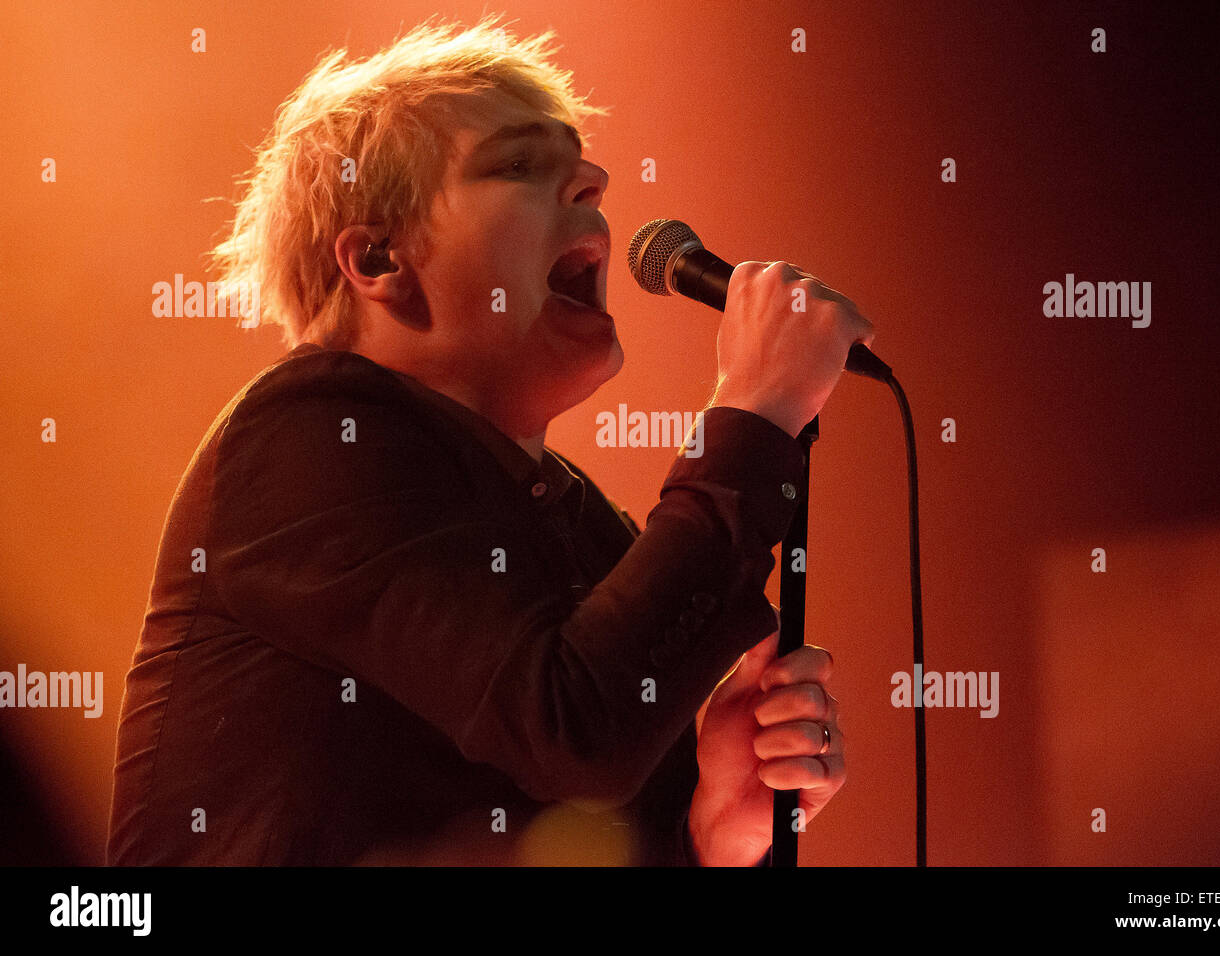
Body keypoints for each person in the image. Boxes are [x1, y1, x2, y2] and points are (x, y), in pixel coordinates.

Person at [107, 15, 872, 866]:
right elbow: (573, 727)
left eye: (580, 164)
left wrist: (711, 832)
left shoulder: (589, 529)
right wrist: (757, 411)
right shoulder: (304, 436)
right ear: (379, 261)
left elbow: (569, 791)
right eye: (518, 164)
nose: (594, 180)